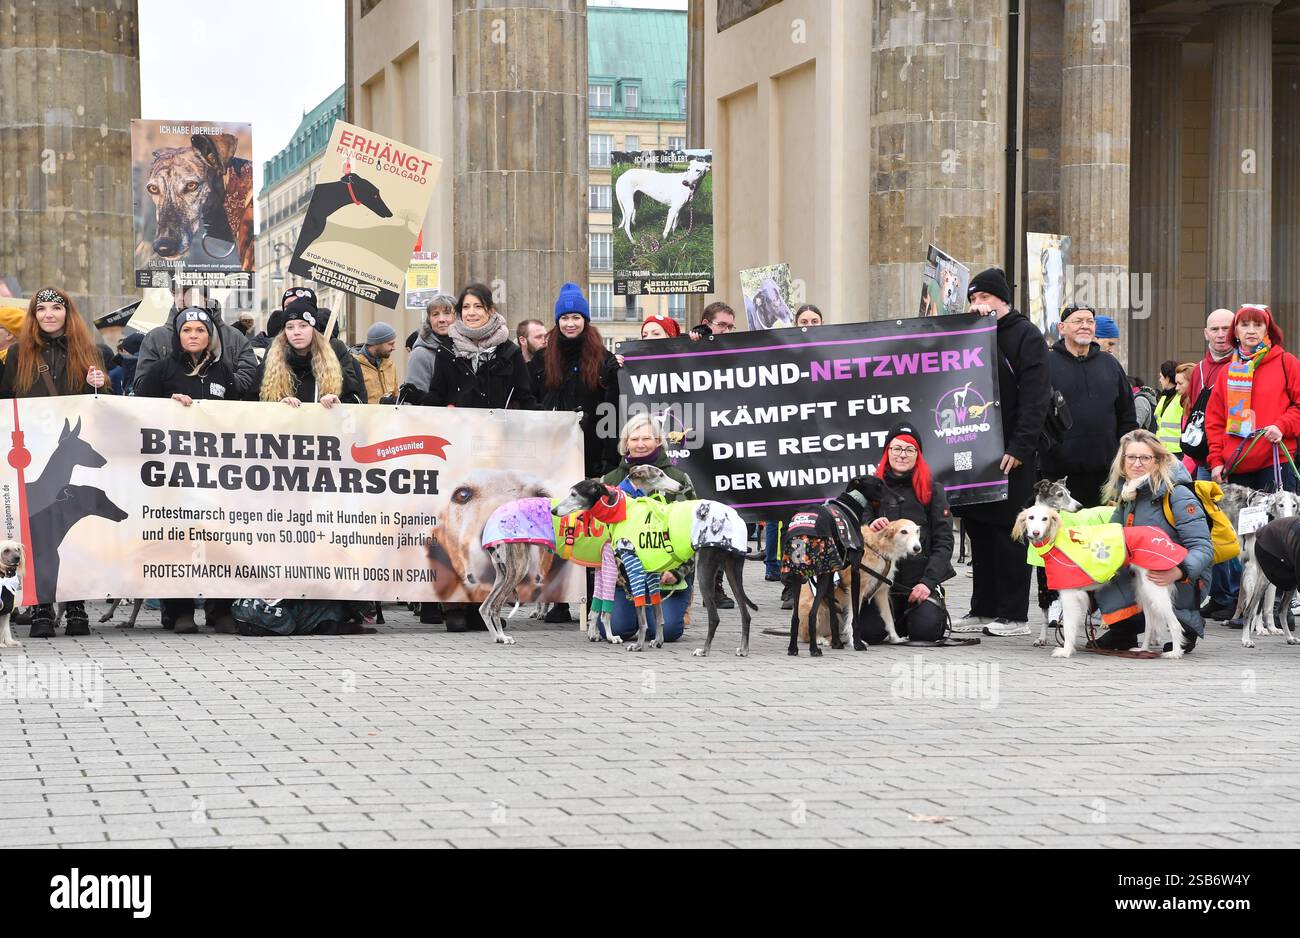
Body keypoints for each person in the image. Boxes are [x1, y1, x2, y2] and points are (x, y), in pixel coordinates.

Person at [0, 288, 112, 639]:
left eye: (56, 308)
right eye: (42, 309)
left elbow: (103, 407)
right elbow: (6, 402)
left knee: (75, 533)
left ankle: (76, 604)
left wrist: (101, 385)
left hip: (68, 461)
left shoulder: (89, 351)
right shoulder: (18, 354)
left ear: (67, 313)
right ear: (34, 315)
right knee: (38, 533)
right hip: (33, 459)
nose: (49, 314)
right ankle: (41, 608)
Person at [951, 268, 1050, 638]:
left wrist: (1021, 446)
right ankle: (983, 607)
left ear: (1002, 300)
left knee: (1010, 532)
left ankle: (1014, 615)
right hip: (974, 449)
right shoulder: (970, 333)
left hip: (1010, 453)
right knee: (979, 529)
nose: (978, 305)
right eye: (973, 299)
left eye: (985, 299)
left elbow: (1036, 396)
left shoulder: (1025, 335)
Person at [135, 307, 241, 633]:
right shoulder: (163, 369)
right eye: (187, 330)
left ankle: (218, 608)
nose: (193, 335)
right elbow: (138, 406)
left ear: (210, 336)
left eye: (200, 330)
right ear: (177, 336)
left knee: (218, 538)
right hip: (173, 474)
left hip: (214, 474)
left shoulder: (222, 370)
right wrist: (168, 403)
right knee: (178, 540)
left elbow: (239, 412)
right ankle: (179, 609)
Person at [1036, 304, 1138, 630]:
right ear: (1061, 327)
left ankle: (1099, 604)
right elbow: (1032, 412)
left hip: (1104, 472)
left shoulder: (1110, 365)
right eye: (1077, 321)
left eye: (1090, 321)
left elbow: (1127, 415)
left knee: (1102, 539)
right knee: (1052, 538)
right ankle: (1054, 601)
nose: (1085, 326)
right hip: (1056, 473)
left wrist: (1128, 458)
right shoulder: (1046, 364)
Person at [530, 283, 620, 623]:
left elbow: (613, 405)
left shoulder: (603, 358)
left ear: (585, 319)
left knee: (589, 527)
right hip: (554, 454)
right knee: (559, 523)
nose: (570, 323)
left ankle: (593, 594)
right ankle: (559, 598)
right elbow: (531, 401)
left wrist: (607, 460)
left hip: (591, 454)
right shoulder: (542, 358)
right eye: (564, 317)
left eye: (576, 317)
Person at [1092, 430, 1212, 654]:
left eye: (1145, 458)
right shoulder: (1127, 495)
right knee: (1104, 567)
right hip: (1144, 573)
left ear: (1158, 461)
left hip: (1182, 576)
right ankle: (1124, 630)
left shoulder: (1178, 495)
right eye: (1131, 457)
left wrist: (1180, 571)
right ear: (1122, 460)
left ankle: (1186, 628)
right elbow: (1110, 537)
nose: (1137, 464)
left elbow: (1203, 548)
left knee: (1160, 584)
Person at [600, 415, 696, 644]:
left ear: (658, 441)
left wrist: (678, 571)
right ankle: (632, 613)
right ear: (625, 443)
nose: (640, 444)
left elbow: (693, 531)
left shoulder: (677, 479)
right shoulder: (610, 481)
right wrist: (610, 574)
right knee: (613, 629)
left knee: (667, 631)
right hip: (624, 577)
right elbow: (599, 533)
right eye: (634, 438)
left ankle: (659, 613)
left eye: (647, 438)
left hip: (666, 574)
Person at [864, 422, 955, 641]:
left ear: (917, 454)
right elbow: (858, 530)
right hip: (879, 585)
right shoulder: (871, 487)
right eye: (897, 448)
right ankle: (893, 621)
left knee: (926, 632)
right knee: (869, 633)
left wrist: (928, 583)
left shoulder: (933, 489)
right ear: (888, 451)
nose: (902, 455)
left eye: (909, 449)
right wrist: (871, 527)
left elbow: (944, 541)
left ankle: (922, 610)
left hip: (918, 583)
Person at [1207, 304, 1300, 493]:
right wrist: (1216, 460)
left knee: (1276, 523)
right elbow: (1215, 421)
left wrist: (1282, 425)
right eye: (1244, 325)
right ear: (1236, 331)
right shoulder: (1227, 371)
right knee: (1239, 523)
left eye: (1258, 325)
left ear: (1268, 330)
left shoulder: (1286, 362)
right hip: (1236, 463)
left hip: (1275, 460)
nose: (1251, 331)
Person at [1184, 309, 1239, 620]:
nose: (1220, 334)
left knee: (1232, 530)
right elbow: (1191, 412)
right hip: (1205, 460)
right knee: (1211, 529)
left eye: (1225, 329)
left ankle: (1234, 596)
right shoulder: (1201, 370)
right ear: (1205, 333)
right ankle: (1219, 595)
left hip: (1231, 459)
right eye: (1215, 329)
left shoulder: (1242, 367)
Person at [134, 281, 259, 399]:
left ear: (205, 298)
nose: (181, 298)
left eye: (188, 292)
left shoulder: (235, 338)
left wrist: (215, 383)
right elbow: (142, 387)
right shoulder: (156, 338)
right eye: (176, 292)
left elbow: (249, 379)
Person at [424, 283, 535, 411]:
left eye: (478, 306)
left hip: (499, 429)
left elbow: (525, 399)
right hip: (458, 429)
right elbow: (437, 398)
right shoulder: (447, 351)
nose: (471, 313)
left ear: (491, 310)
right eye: (466, 307)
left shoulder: (510, 352)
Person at [257, 296, 359, 407]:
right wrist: (277, 406)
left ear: (314, 330)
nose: (296, 332)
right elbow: (250, 408)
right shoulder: (269, 366)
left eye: (303, 326)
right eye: (290, 327)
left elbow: (357, 404)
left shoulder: (333, 365)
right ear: (284, 332)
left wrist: (338, 403)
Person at [400, 294, 456, 406]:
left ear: (457, 317)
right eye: (435, 314)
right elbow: (414, 405)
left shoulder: (466, 348)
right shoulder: (421, 354)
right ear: (429, 320)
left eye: (447, 313)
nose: (441, 319)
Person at [353, 322, 399, 404]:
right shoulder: (355, 365)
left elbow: (396, 394)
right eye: (390, 344)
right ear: (377, 343)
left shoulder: (390, 365)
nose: (394, 348)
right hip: (366, 415)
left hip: (390, 415)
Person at [1154, 360, 1184, 457]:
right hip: (1162, 449)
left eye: (1161, 376)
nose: (1160, 380)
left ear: (1167, 378)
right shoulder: (1164, 397)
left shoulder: (1182, 397)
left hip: (1178, 452)